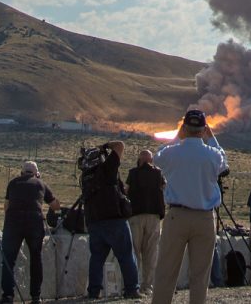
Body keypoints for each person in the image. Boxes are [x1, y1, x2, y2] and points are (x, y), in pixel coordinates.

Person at [150, 110, 227, 304]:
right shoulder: (212, 155)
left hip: (177, 216)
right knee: (200, 276)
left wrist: (178, 137)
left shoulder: (173, 153)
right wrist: (211, 138)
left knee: (166, 270)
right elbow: (224, 164)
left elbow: (157, 158)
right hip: (204, 219)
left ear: (184, 128)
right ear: (203, 130)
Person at [82, 140, 139, 299]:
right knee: (126, 256)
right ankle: (131, 289)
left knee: (97, 259)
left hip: (94, 222)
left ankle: (94, 292)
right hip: (114, 221)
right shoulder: (107, 169)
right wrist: (105, 145)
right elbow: (120, 145)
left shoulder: (85, 177)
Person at [1, 160, 59, 304]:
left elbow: (6, 206)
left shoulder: (13, 183)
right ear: (36, 174)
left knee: (9, 259)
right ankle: (35, 297)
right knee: (36, 258)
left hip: (13, 223)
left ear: (21, 172)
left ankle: (8, 296)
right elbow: (55, 205)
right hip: (34, 223)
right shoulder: (41, 184)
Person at [127, 148, 167, 289]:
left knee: (134, 250)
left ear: (139, 160)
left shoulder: (133, 173)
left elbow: (127, 190)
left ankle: (133, 283)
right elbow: (163, 186)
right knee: (150, 252)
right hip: (154, 216)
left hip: (136, 215)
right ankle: (147, 285)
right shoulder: (158, 173)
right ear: (151, 160)